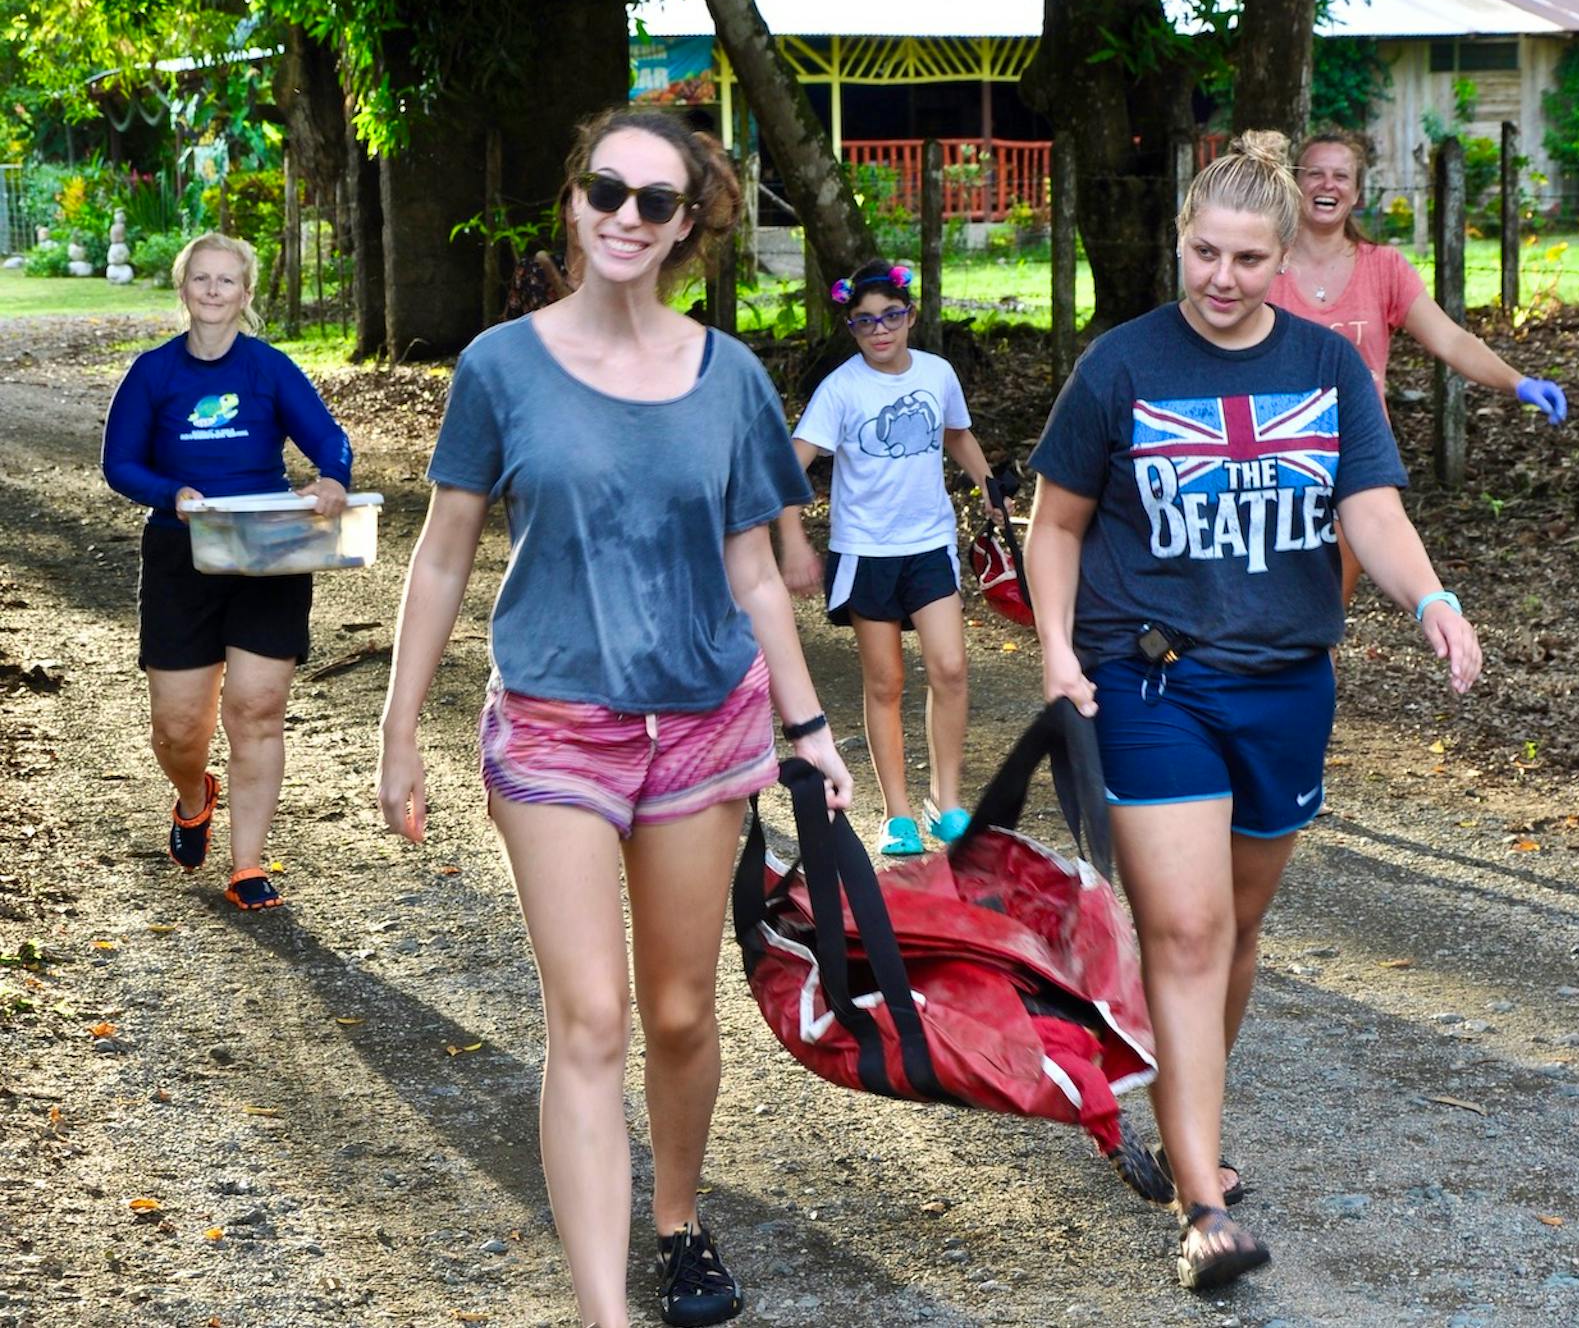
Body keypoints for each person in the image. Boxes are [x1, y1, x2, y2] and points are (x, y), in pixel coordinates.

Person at [376, 107, 851, 1328]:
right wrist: (398, 728)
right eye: (606, 191)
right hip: (552, 726)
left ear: (689, 223)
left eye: (655, 201)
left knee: (682, 1012)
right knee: (588, 1015)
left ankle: (679, 1220)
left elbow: (756, 573)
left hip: (703, 727)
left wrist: (809, 737)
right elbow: (441, 558)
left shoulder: (729, 376)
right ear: (574, 201)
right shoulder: (498, 367)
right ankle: (602, 1312)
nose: (625, 217)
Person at [1025, 133, 1482, 1291]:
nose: (1219, 280)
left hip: (1285, 684)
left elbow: (1367, 506)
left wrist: (1427, 595)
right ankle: (1198, 1203)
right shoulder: (1120, 365)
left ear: (1288, 256)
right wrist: (1056, 659)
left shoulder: (1328, 371)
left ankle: (1185, 1113)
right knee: (1181, 930)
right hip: (1150, 676)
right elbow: (1056, 524)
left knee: (1232, 925)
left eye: (1244, 259)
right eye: (1201, 253)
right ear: (1179, 239)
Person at [102, 231, 352, 912]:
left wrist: (332, 477)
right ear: (183, 290)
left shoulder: (268, 368)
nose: (213, 292)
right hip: (183, 551)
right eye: (201, 280)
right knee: (179, 729)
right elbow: (119, 463)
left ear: (245, 296)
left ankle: (247, 866)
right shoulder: (153, 373)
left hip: (267, 548)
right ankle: (193, 794)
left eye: (227, 282)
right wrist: (170, 494)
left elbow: (328, 437)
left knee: (257, 708)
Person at [1269, 127, 1568, 600]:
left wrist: (1519, 383)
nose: (1328, 185)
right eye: (1315, 174)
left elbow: (1450, 339)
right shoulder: (1262, 264)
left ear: (1358, 192)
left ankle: (1318, 672)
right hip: (1274, 454)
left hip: (1355, 459)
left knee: (1323, 607)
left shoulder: (1383, 267)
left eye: (1341, 176)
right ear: (1294, 184)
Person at [777, 260, 1000, 857]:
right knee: (887, 682)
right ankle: (898, 815)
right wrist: (791, 533)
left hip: (929, 544)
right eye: (865, 322)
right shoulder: (842, 388)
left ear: (911, 317)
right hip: (867, 551)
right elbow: (789, 465)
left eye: (892, 317)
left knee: (950, 668)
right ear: (851, 326)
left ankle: (945, 802)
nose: (880, 331)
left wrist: (986, 484)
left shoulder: (937, 372)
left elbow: (956, 433)